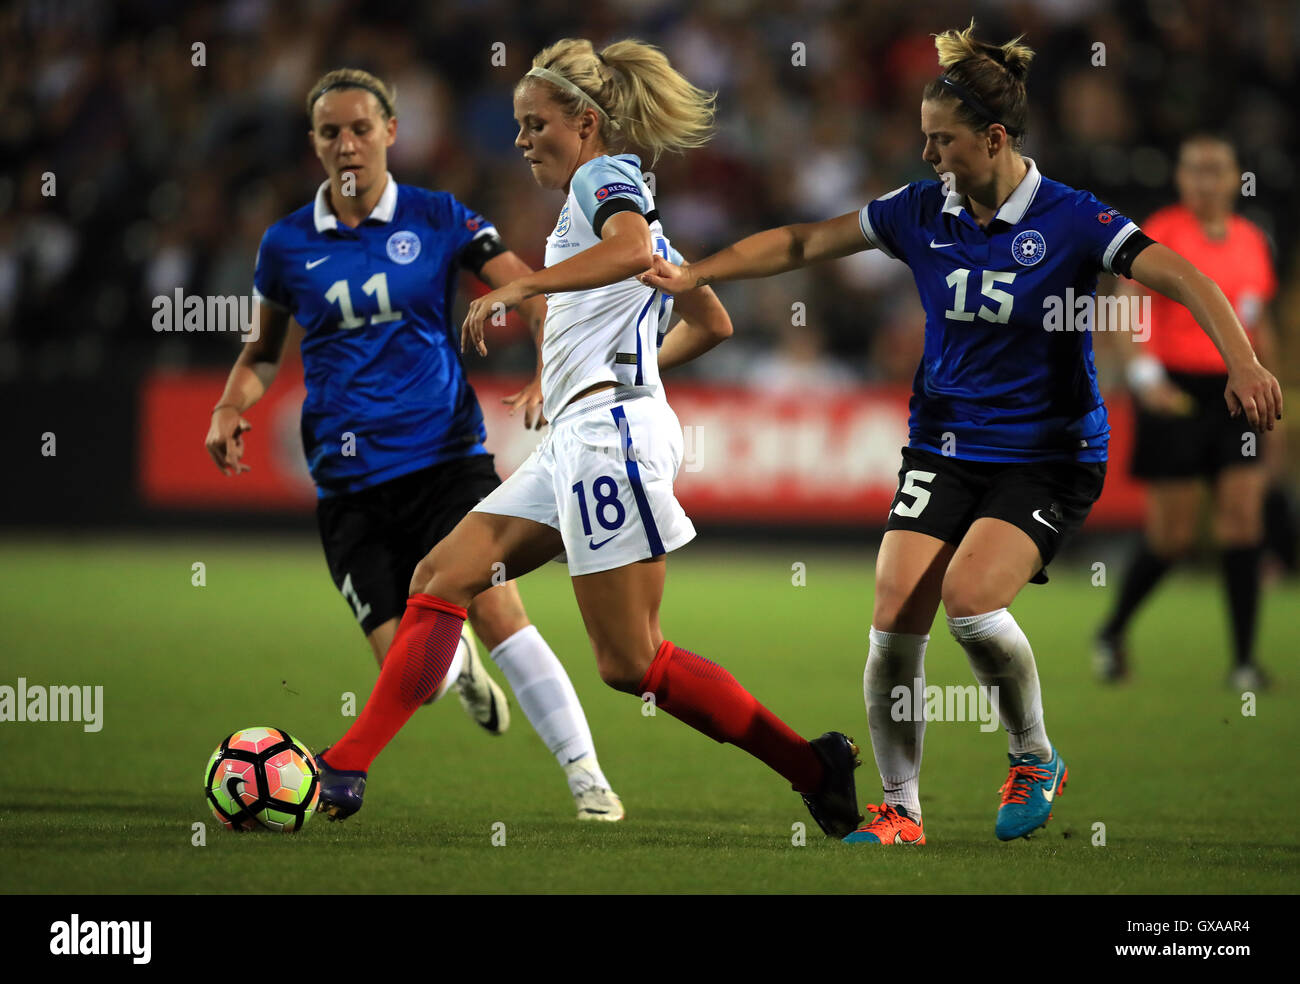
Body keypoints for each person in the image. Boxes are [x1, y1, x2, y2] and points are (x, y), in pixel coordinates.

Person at [640, 22, 1282, 844]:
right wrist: (698, 271)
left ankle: (1034, 755)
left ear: (995, 138)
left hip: (1048, 455)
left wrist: (1243, 363)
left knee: (971, 605)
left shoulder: (1073, 218)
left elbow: (1184, 275)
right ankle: (901, 810)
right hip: (943, 446)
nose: (929, 154)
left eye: (943, 140)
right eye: (925, 138)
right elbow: (805, 240)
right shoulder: (920, 210)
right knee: (891, 619)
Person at [313, 39, 865, 840]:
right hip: (587, 431)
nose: (521, 139)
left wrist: (528, 288)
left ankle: (813, 767)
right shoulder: (614, 202)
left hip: (610, 440)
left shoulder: (603, 179)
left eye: (535, 124)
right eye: (518, 125)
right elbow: (710, 318)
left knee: (632, 662)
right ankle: (347, 765)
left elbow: (634, 250)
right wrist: (611, 368)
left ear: (584, 121)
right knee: (440, 576)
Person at [204, 68, 624, 821]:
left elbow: (534, 294)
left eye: (360, 128)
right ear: (314, 143)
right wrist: (231, 405)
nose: (347, 144)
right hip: (348, 484)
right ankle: (455, 668)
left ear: (391, 132)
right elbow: (262, 353)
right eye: (330, 132)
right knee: (416, 679)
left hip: (446, 461)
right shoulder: (286, 243)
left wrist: (545, 374)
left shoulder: (439, 217)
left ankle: (588, 779)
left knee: (499, 610)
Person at [1095, 134, 1280, 691]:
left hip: (1235, 388)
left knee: (1243, 520)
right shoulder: (1162, 233)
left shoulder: (1252, 241)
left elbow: (1259, 325)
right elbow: (1126, 305)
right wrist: (1145, 377)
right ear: (1180, 178)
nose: (1205, 180)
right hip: (1173, 390)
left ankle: (1244, 664)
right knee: (1172, 536)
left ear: (1236, 177)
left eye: (1215, 169)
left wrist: (1272, 389)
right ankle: (1113, 631)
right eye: (1195, 169)